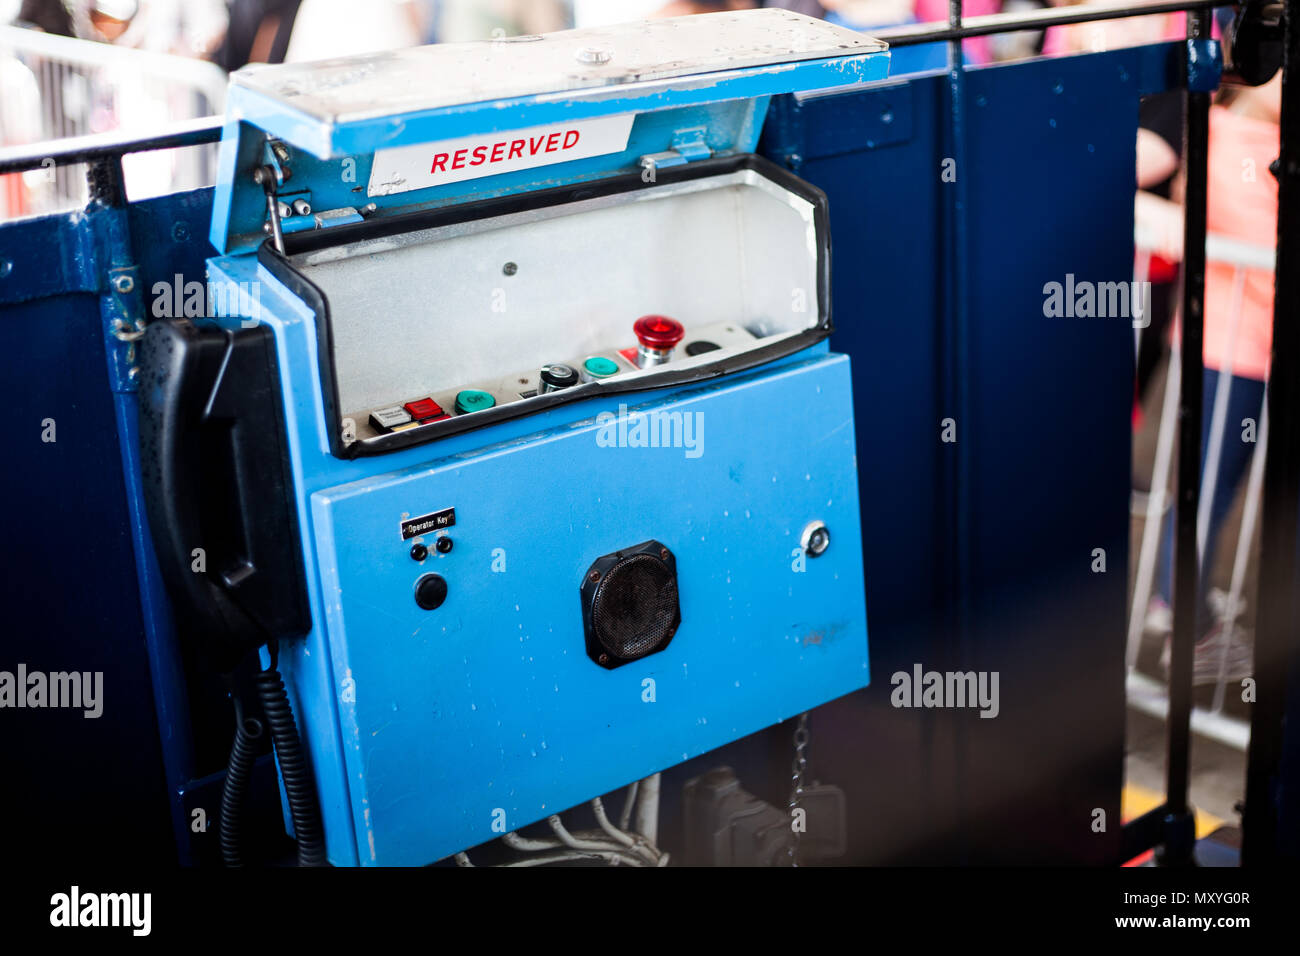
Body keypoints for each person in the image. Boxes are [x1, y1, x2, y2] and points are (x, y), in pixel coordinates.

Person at [1146, 72, 1280, 685]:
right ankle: (1192, 635)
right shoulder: (1238, 145)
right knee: (1206, 493)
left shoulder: (1232, 131)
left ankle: (1174, 603)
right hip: (1237, 349)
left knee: (1202, 489)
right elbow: (1271, 259)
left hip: (1234, 344)